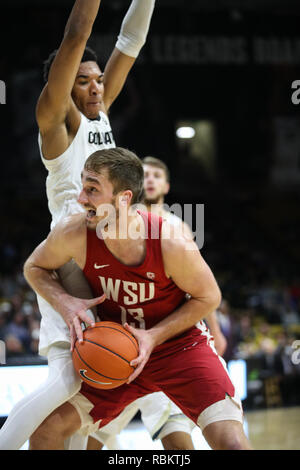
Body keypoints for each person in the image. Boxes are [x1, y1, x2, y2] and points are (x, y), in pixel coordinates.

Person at [0, 0, 155, 450]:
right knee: (72, 380)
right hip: (67, 258)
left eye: (98, 79)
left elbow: (130, 42)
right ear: (64, 86)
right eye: (82, 80)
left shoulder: (101, 114)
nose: (95, 87)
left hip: (106, 253)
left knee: (96, 383)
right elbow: (76, 35)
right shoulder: (56, 125)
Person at [25, 148, 252, 450]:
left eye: (92, 189)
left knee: (229, 444)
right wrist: (64, 300)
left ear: (123, 198)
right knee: (46, 431)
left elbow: (209, 297)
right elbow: (34, 267)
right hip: (117, 351)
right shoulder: (75, 232)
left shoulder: (171, 239)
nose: (81, 198)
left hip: (179, 348)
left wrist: (153, 336)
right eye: (83, 187)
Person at [79, 156, 228, 451]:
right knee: (89, 438)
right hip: (116, 344)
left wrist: (215, 330)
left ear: (167, 185)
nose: (150, 179)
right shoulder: (105, 221)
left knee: (174, 435)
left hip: (162, 346)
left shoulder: (175, 228)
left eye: (157, 175)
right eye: (144, 174)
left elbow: (199, 289)